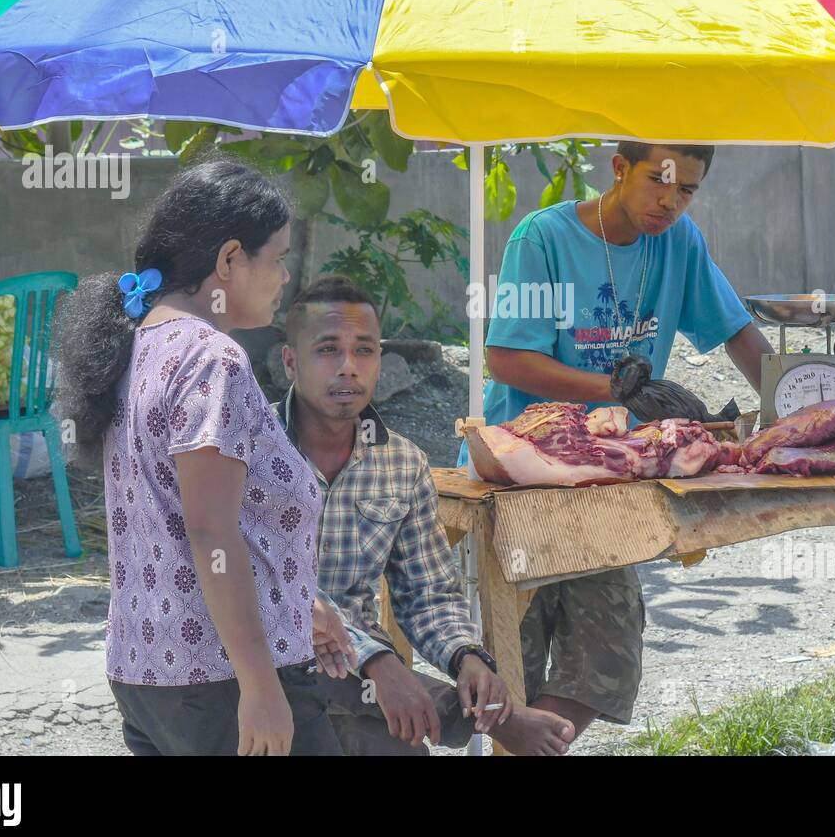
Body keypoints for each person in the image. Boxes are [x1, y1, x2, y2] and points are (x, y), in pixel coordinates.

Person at [455, 140, 773, 744]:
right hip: (526, 478)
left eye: (687, 190)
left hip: (611, 474)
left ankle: (535, 746)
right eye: (660, 181)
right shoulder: (541, 237)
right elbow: (505, 358)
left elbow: (737, 332)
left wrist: (799, 405)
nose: (671, 202)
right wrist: (615, 388)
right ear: (619, 169)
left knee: (606, 657)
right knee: (508, 658)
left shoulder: (679, 242)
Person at [56, 159, 360, 756]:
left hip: (150, 674)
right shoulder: (210, 360)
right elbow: (209, 531)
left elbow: (184, 522)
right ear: (228, 261)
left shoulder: (143, 345)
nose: (285, 274)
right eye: (275, 257)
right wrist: (259, 683)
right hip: (221, 681)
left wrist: (295, 603)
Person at [277, 275, 576, 756]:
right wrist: (379, 661)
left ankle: (475, 707)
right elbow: (258, 584)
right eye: (328, 349)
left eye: (365, 350)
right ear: (291, 361)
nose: (348, 368)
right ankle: (498, 719)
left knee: (399, 740)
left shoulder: (401, 463)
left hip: (361, 679)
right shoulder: (250, 452)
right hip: (267, 662)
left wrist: (466, 657)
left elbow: (427, 590)